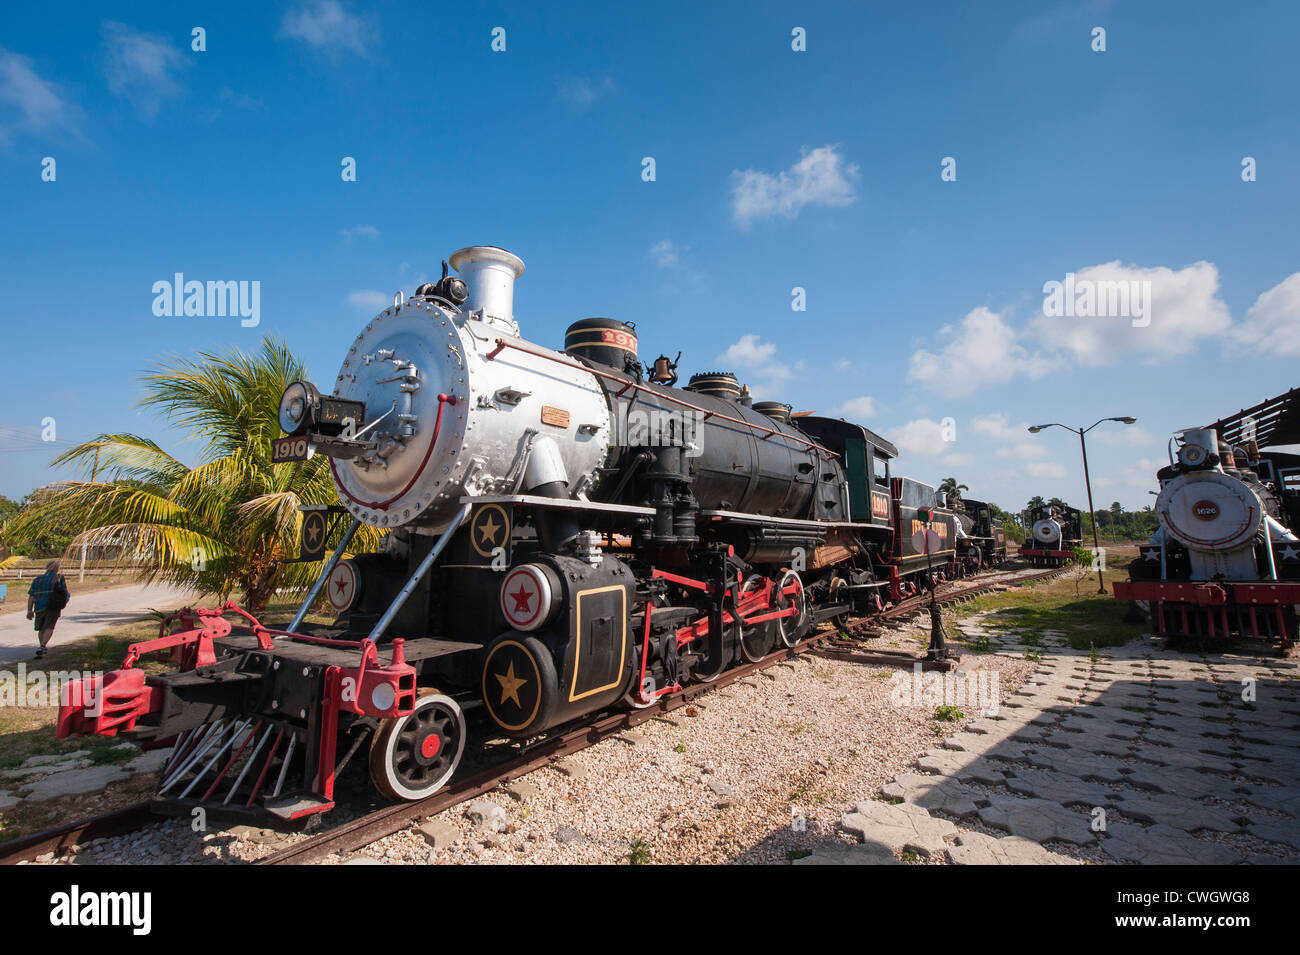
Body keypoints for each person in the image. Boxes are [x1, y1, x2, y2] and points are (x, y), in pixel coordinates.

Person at [26, 559, 69, 658]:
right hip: (52, 606)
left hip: (39, 606)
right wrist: (65, 601)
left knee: (41, 628)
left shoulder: (37, 579)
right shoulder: (59, 578)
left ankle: (41, 647)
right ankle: (42, 646)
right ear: (57, 569)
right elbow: (64, 592)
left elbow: (31, 596)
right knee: (49, 626)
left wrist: (29, 610)